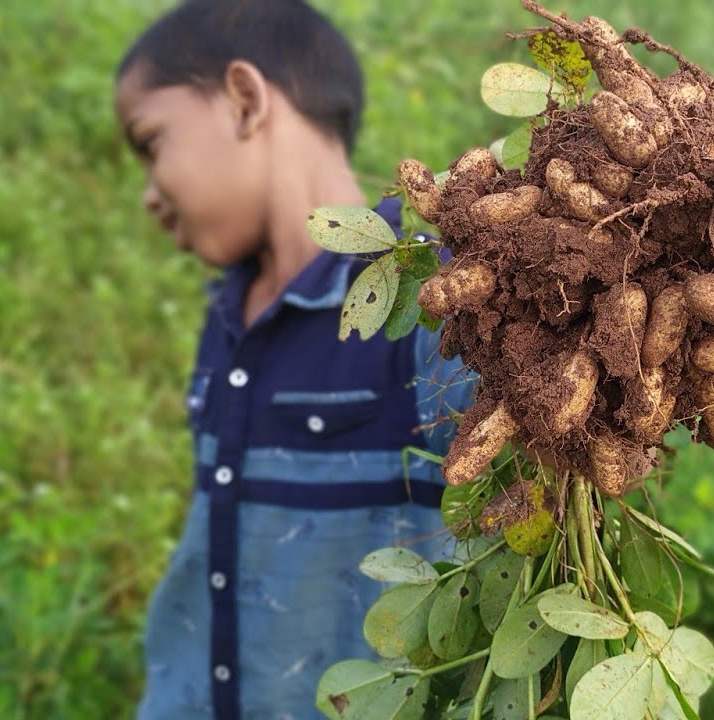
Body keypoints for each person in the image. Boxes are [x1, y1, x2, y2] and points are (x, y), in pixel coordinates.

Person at [113, 2, 472, 717]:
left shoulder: (432, 301)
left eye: (152, 144)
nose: (150, 196)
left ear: (245, 100)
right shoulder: (229, 315)